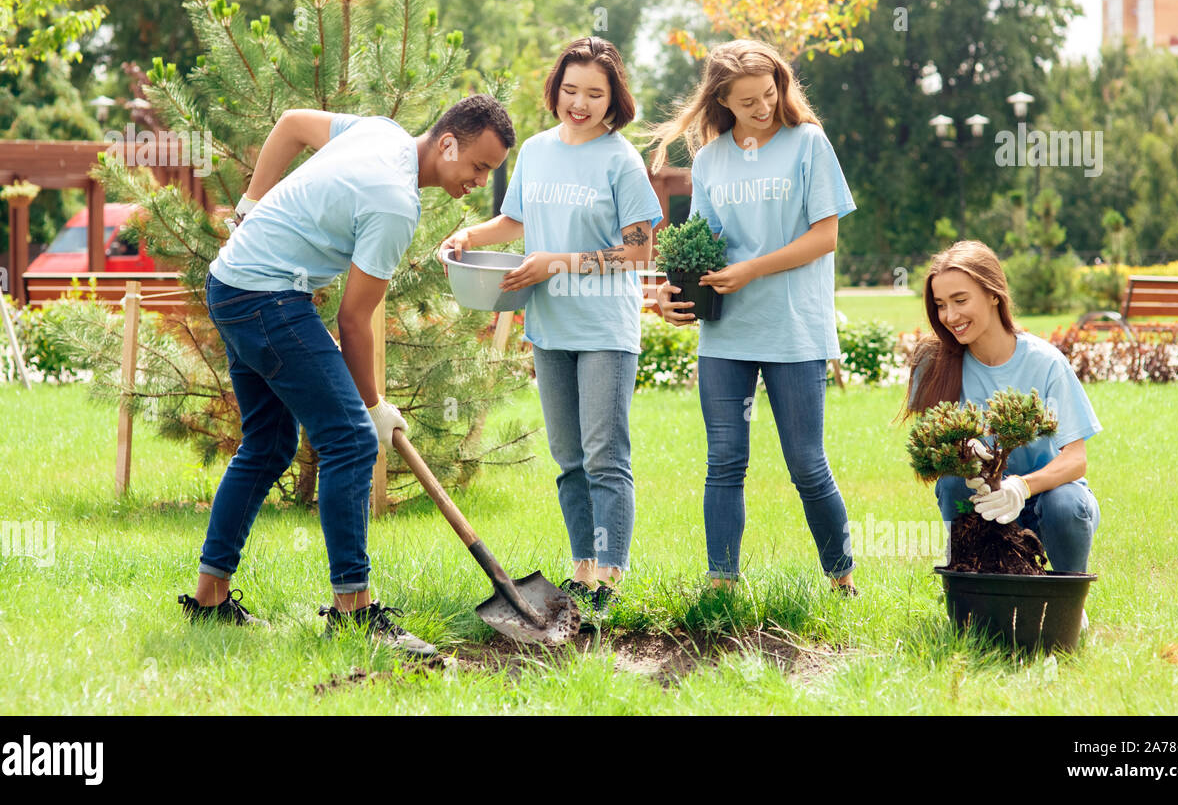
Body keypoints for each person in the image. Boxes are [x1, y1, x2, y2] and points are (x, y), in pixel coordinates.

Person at [178, 95, 515, 658]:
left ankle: (210, 598)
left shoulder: (382, 133)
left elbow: (289, 124)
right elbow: (354, 319)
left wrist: (250, 203)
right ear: (448, 143)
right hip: (266, 297)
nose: (480, 182)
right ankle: (353, 613)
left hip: (232, 283)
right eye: (478, 167)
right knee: (352, 441)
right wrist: (374, 407)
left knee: (268, 444)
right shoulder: (394, 203)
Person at [440, 37, 661, 614]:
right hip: (549, 323)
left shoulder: (621, 159)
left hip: (604, 327)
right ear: (555, 89)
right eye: (570, 90)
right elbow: (517, 220)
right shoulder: (535, 151)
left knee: (604, 456)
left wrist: (559, 262)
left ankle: (610, 579)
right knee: (568, 460)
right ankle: (581, 570)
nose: (579, 103)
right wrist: (469, 235)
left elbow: (640, 250)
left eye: (594, 93)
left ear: (614, 98)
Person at [650, 39, 857, 594]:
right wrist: (673, 292)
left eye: (768, 94)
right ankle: (721, 586)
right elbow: (702, 244)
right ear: (722, 100)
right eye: (746, 102)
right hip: (727, 332)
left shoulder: (808, 143)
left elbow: (826, 236)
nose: (762, 108)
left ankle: (842, 580)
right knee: (724, 462)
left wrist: (751, 271)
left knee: (807, 465)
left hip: (793, 329)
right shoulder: (712, 157)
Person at [903, 240, 1102, 577]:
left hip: (1044, 504)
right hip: (981, 501)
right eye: (940, 305)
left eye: (960, 300)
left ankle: (1070, 597)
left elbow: (1076, 459)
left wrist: (1020, 487)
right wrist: (966, 455)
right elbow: (935, 453)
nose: (950, 316)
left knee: (1066, 503)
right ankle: (969, 585)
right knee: (953, 482)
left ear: (994, 294)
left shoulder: (1045, 363)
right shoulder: (935, 363)